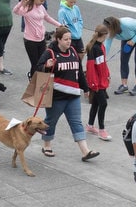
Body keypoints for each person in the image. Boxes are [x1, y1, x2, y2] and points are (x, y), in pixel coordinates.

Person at [38, 25, 100, 162]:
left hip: (73, 96)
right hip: (56, 97)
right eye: (66, 39)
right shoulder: (49, 53)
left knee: (76, 122)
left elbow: (79, 72)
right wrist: (46, 66)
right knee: (51, 121)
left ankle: (85, 151)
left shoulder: (73, 51)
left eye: (70, 39)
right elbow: (38, 68)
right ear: (58, 39)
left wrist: (86, 88)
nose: (69, 42)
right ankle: (47, 145)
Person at [13, 0, 61, 104]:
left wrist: (59, 25)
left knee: (42, 62)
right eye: (41, 0)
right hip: (30, 40)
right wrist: (21, 3)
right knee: (35, 63)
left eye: (43, 1)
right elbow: (15, 11)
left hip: (41, 39)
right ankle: (34, 85)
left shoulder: (41, 7)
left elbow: (47, 17)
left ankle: (40, 85)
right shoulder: (27, 7)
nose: (42, 2)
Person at [102, 15, 136, 97]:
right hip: (127, 38)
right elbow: (107, 45)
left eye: (108, 29)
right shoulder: (111, 31)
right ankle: (124, 86)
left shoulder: (126, 23)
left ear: (113, 27)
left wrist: (134, 40)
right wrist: (103, 58)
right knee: (123, 60)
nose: (107, 31)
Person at [85, 20, 112, 139]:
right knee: (103, 104)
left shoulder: (100, 46)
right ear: (104, 35)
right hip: (98, 82)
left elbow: (103, 64)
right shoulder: (96, 48)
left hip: (101, 80)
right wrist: (93, 83)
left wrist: (107, 74)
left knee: (96, 103)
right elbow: (91, 68)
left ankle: (90, 125)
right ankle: (102, 130)